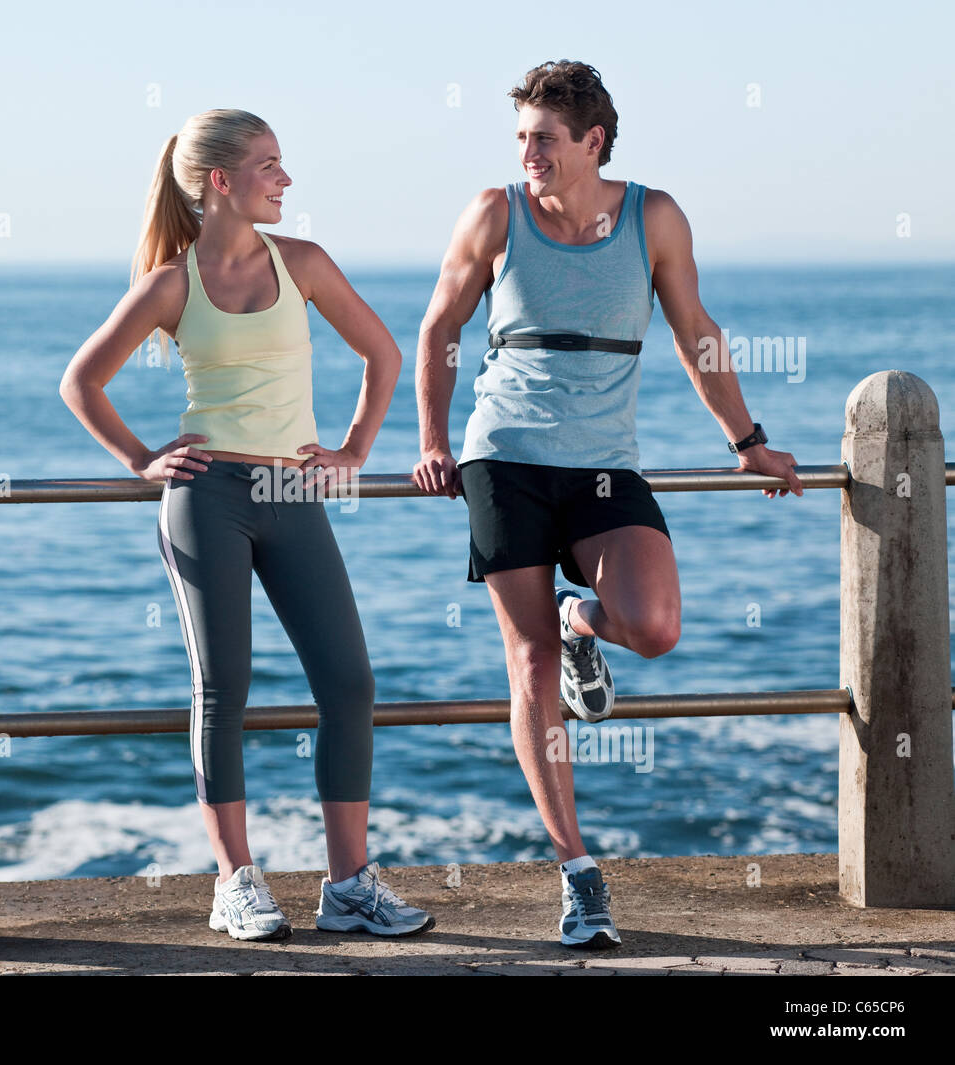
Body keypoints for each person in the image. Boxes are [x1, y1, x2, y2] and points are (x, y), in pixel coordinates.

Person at [413, 61, 802, 948]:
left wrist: (747, 442)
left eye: (543, 137)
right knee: (530, 668)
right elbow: (440, 328)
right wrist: (434, 441)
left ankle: (581, 620)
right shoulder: (495, 213)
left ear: (593, 140)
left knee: (656, 624)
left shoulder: (653, 216)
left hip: (604, 466)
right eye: (520, 138)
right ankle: (579, 875)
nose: (528, 153)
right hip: (503, 458)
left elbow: (696, 333)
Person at [60, 108, 433, 942]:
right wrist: (138, 459)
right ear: (220, 181)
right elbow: (81, 381)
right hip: (208, 498)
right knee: (223, 689)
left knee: (349, 683)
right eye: (269, 164)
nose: (286, 179)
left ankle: (349, 885)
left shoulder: (301, 263)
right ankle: (235, 879)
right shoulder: (171, 284)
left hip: (293, 494)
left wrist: (353, 448)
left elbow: (384, 354)